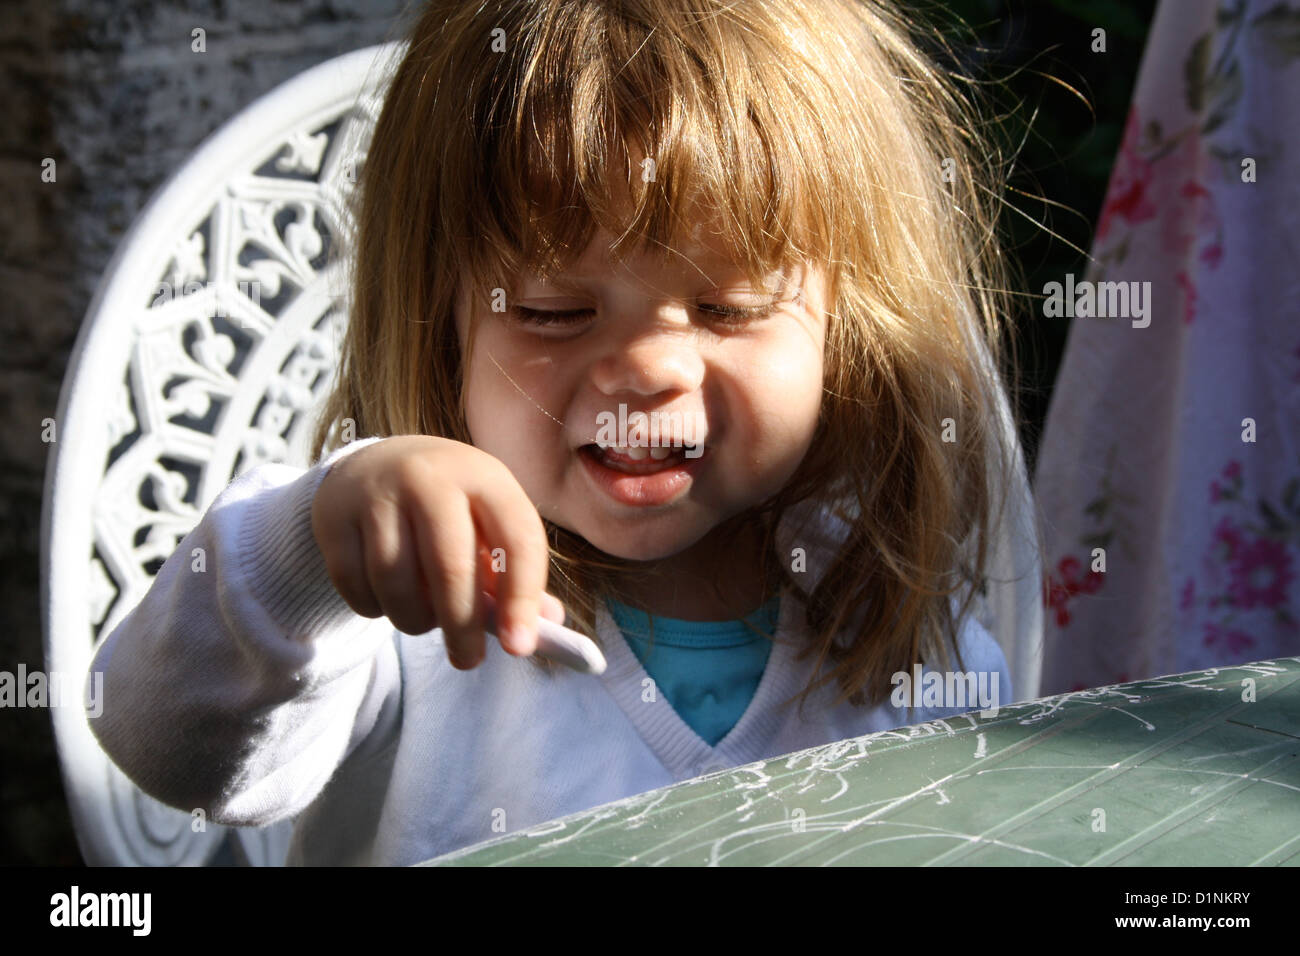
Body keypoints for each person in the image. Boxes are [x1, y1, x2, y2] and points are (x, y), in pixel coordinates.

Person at [87, 0, 1032, 865]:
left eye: (729, 306)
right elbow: (165, 744)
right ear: (441, 328)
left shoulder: (904, 643)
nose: (651, 367)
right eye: (550, 311)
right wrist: (316, 554)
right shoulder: (407, 618)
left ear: (845, 331)